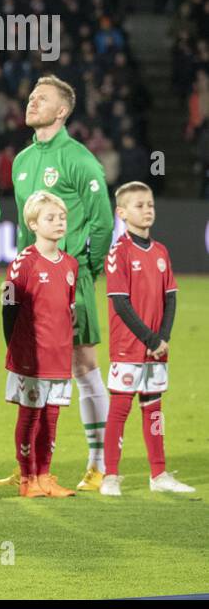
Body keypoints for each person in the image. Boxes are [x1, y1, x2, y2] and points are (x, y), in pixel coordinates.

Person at [4, 76, 115, 492]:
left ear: (62, 110)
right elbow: (21, 225)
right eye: (31, 96)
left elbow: (102, 222)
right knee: (30, 370)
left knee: (83, 366)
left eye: (42, 98)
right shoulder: (21, 161)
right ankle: (27, 466)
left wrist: (85, 268)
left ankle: (100, 464)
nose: (32, 102)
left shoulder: (81, 160)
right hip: (30, 281)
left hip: (71, 279)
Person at [102, 183, 194, 496]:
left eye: (150, 204)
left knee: (153, 409)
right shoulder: (119, 252)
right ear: (122, 213)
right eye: (140, 205)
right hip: (128, 346)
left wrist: (162, 338)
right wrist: (150, 338)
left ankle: (158, 474)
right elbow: (120, 303)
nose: (148, 210)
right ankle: (110, 475)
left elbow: (171, 297)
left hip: (157, 347)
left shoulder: (160, 251)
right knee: (120, 409)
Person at [2, 192, 78, 500]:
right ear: (33, 223)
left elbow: (68, 311)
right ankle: (27, 477)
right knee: (30, 415)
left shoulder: (71, 264)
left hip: (60, 356)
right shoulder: (23, 263)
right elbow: (9, 310)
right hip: (31, 357)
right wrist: (16, 350)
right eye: (51, 218)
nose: (59, 222)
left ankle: (45, 475)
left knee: (52, 417)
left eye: (61, 217)